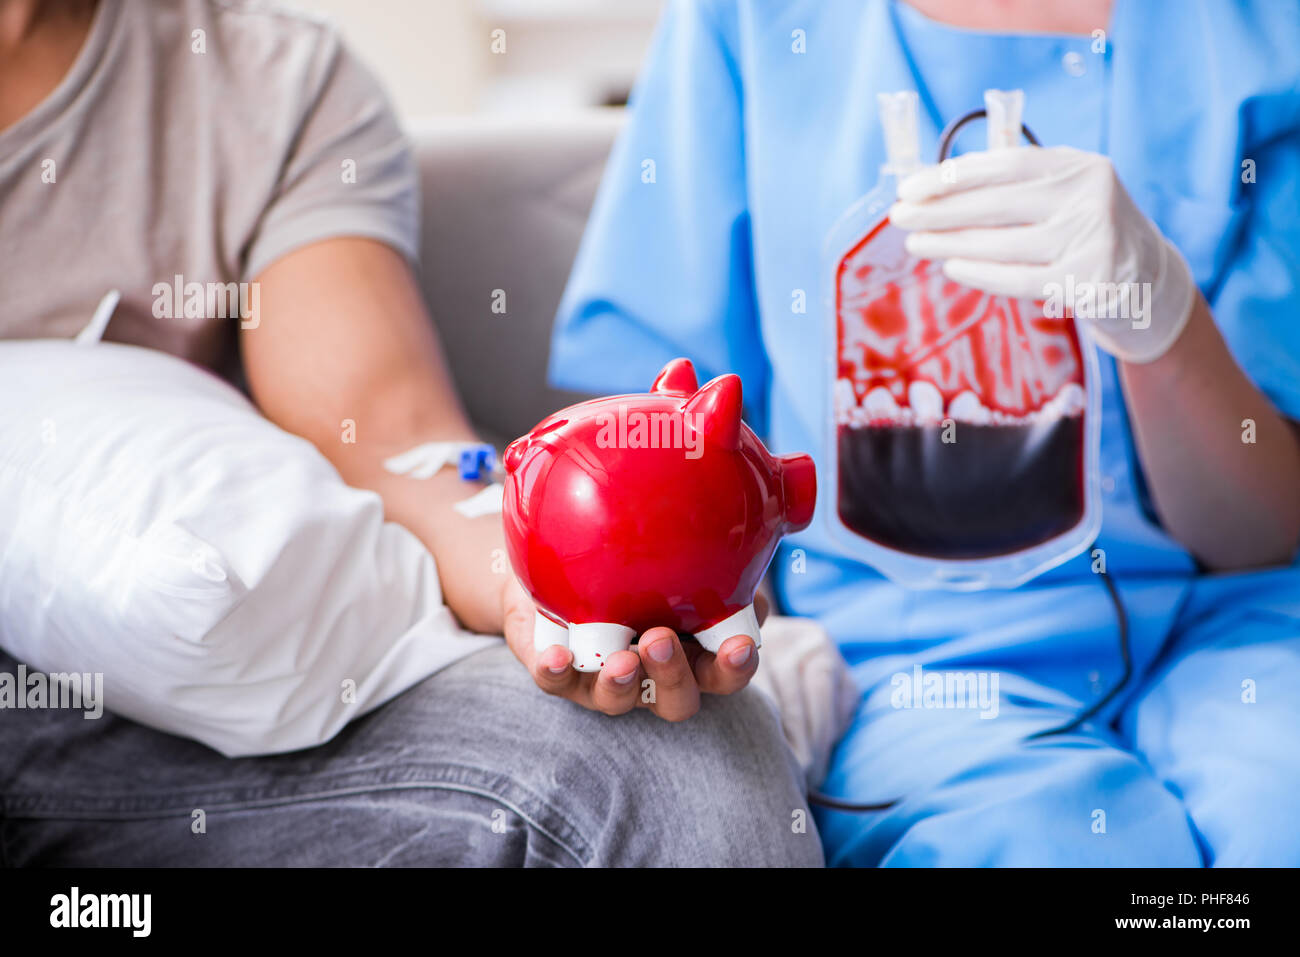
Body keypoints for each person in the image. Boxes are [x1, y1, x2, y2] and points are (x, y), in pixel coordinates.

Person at [0, 0, 823, 866]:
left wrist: (532, 580)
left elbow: (402, 443)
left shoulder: (267, 83)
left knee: (691, 772)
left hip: (148, 720)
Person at [550, 0, 1300, 866]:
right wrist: (706, 616)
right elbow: (644, 432)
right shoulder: (753, 22)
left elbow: (1263, 530)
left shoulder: (1262, 29)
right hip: (914, 661)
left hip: (1238, 628)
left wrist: (1166, 324)